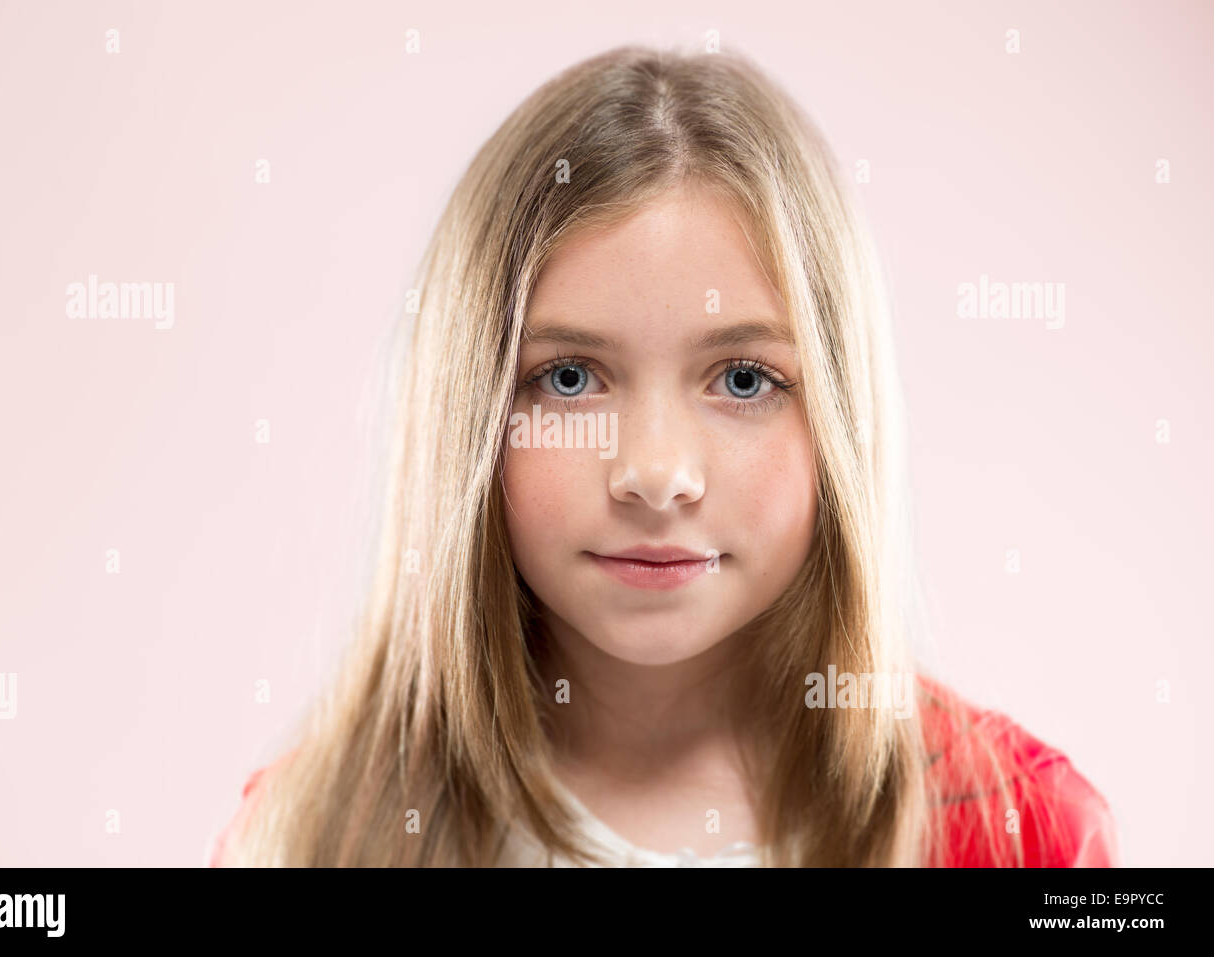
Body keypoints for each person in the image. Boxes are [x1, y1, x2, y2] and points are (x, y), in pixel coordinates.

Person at [211, 44, 1120, 867]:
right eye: (568, 379)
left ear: (842, 415)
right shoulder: (306, 838)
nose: (654, 471)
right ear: (471, 414)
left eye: (743, 379)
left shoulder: (1029, 833)